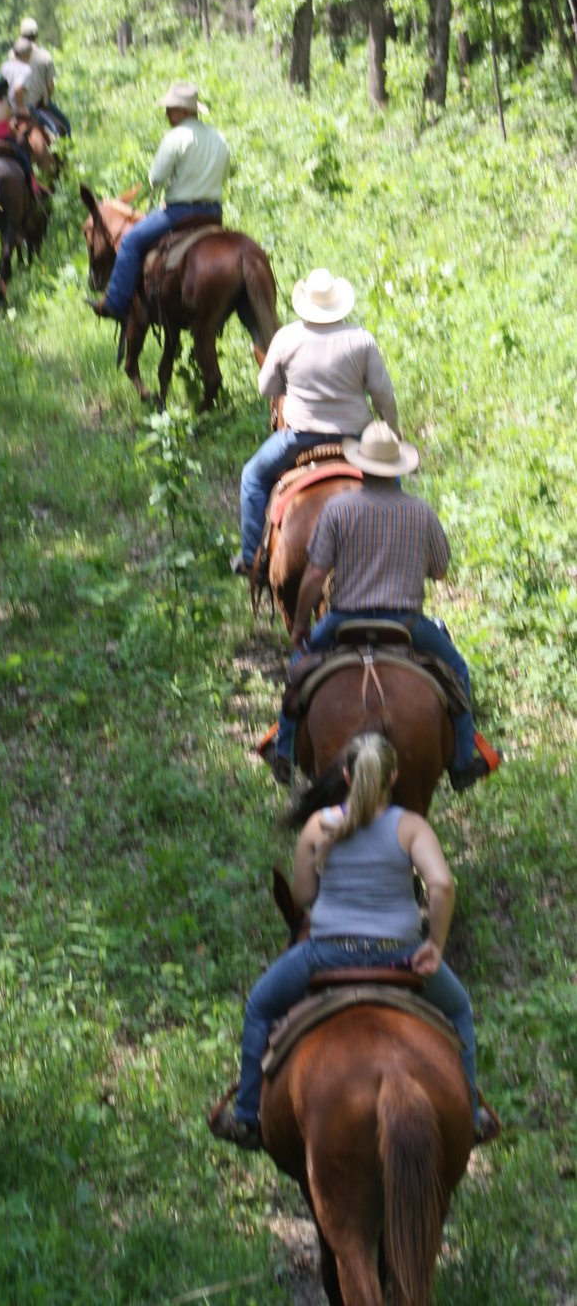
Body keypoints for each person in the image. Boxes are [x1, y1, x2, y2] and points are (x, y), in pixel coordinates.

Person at [210, 732, 499, 1150]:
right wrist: (433, 946)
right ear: (394, 775)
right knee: (457, 1010)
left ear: (345, 774)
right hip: (398, 956)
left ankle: (248, 1115)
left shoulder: (319, 825)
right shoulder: (411, 827)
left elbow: (304, 896)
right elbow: (440, 885)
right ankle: (471, 1115)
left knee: (259, 1007)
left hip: (326, 955)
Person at [265, 420, 496, 791]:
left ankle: (284, 751)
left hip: (342, 620)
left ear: (362, 465)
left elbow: (313, 575)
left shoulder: (339, 510)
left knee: (297, 670)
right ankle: (463, 761)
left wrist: (300, 625)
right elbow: (439, 571)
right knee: (457, 669)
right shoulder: (421, 512)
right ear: (396, 468)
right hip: (405, 622)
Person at [232, 269, 398, 576]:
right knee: (392, 481)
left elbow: (266, 387)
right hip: (356, 439)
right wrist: (393, 431)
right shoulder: (361, 339)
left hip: (298, 438)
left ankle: (252, 558)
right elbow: (383, 395)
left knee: (252, 478)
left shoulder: (286, 338)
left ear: (305, 303)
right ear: (338, 303)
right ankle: (400, 547)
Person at [89, 81, 230, 322]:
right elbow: (224, 175)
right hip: (214, 213)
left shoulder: (175, 137)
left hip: (180, 212)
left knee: (131, 242)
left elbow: (156, 177)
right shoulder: (219, 137)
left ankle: (115, 303)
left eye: (170, 108)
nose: (166, 113)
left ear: (184, 111)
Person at [15, 17, 71, 137]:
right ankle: (68, 152)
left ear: (21, 35)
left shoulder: (11, 55)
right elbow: (50, 86)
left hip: (15, 106)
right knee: (66, 124)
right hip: (38, 105)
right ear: (36, 35)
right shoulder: (45, 56)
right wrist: (45, 100)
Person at [0, 38, 34, 118]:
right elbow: (18, 88)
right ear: (27, 55)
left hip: (4, 107)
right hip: (17, 108)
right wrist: (21, 107)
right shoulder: (26, 69)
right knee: (45, 123)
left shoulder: (4, 65)